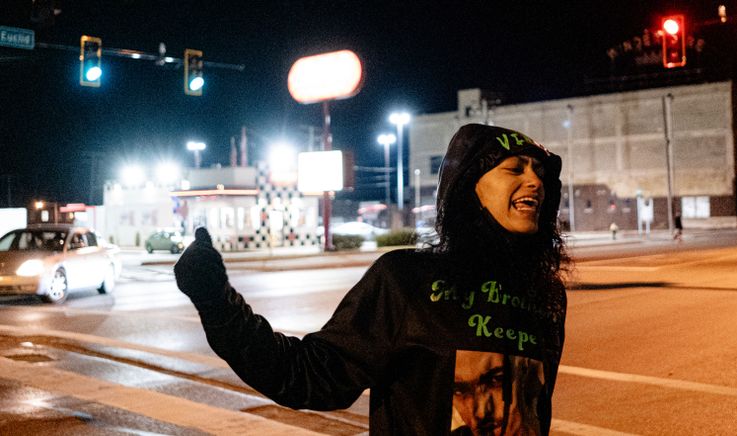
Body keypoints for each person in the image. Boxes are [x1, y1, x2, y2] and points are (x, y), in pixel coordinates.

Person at [174, 124, 569, 435]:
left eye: (539, 172)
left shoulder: (545, 296)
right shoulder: (407, 281)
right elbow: (308, 376)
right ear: (470, 190)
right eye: (514, 169)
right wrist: (217, 301)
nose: (535, 181)